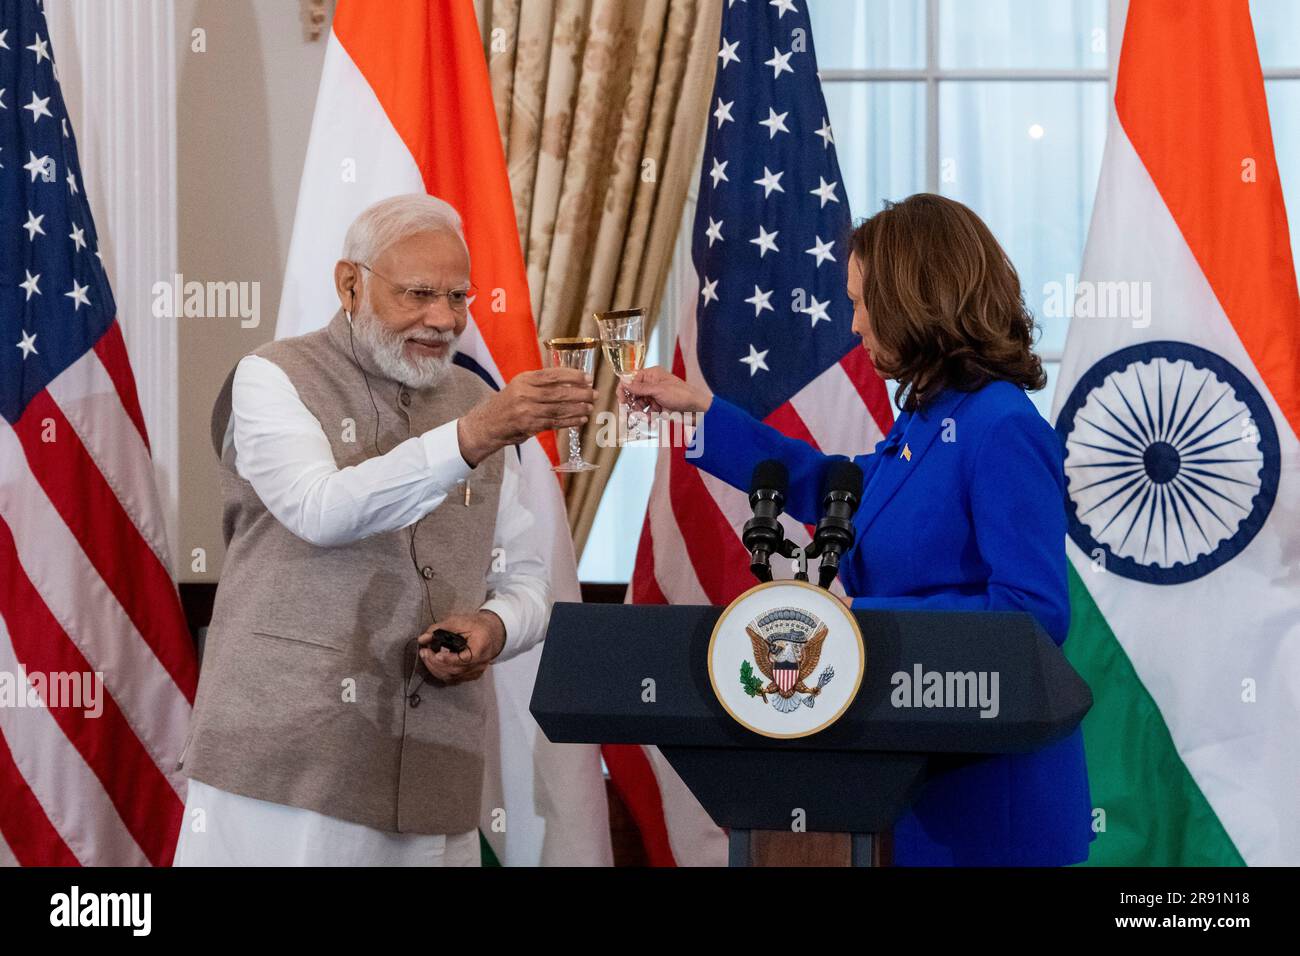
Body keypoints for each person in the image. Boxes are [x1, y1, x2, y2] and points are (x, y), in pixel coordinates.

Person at [625, 193, 1094, 866]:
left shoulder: (1001, 428)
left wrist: (858, 619)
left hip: (989, 800)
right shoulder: (931, 420)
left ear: (914, 298)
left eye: (861, 303)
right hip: (914, 772)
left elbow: (1033, 613)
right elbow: (832, 485)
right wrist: (703, 409)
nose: (855, 324)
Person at [173, 194, 595, 866]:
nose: (444, 319)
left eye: (459, 297)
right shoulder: (271, 377)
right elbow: (323, 511)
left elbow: (526, 576)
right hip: (289, 764)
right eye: (420, 294)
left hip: (437, 769)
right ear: (350, 283)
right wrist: (475, 435)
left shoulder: (477, 401)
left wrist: (495, 629)